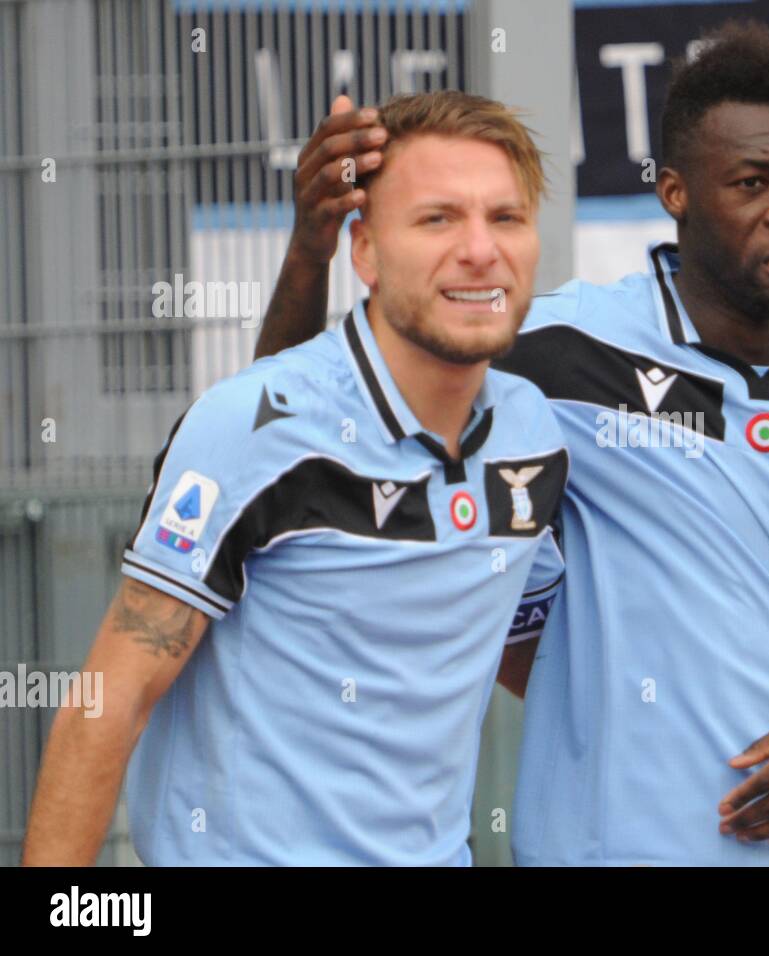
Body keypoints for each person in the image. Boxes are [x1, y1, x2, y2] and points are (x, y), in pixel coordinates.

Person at [256, 21, 769, 865]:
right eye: (754, 183)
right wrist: (310, 248)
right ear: (676, 192)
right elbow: (295, 433)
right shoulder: (555, 350)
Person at [22, 90, 567, 866]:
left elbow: (532, 652)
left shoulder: (533, 434)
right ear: (365, 251)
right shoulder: (252, 424)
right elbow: (109, 705)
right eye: (438, 218)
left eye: (505, 218)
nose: (481, 250)